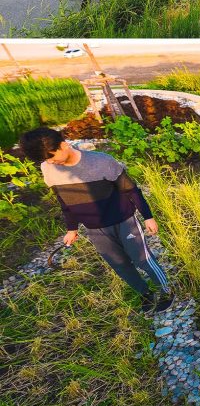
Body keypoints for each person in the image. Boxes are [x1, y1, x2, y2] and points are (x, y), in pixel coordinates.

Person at [20, 127, 173, 313]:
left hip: (124, 220)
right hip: (94, 228)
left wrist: (148, 216)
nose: (50, 162)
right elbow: (64, 200)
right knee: (119, 265)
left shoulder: (102, 161)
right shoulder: (48, 168)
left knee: (142, 259)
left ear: (64, 145)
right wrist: (72, 229)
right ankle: (144, 293)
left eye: (52, 157)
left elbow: (131, 190)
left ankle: (166, 290)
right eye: (46, 159)